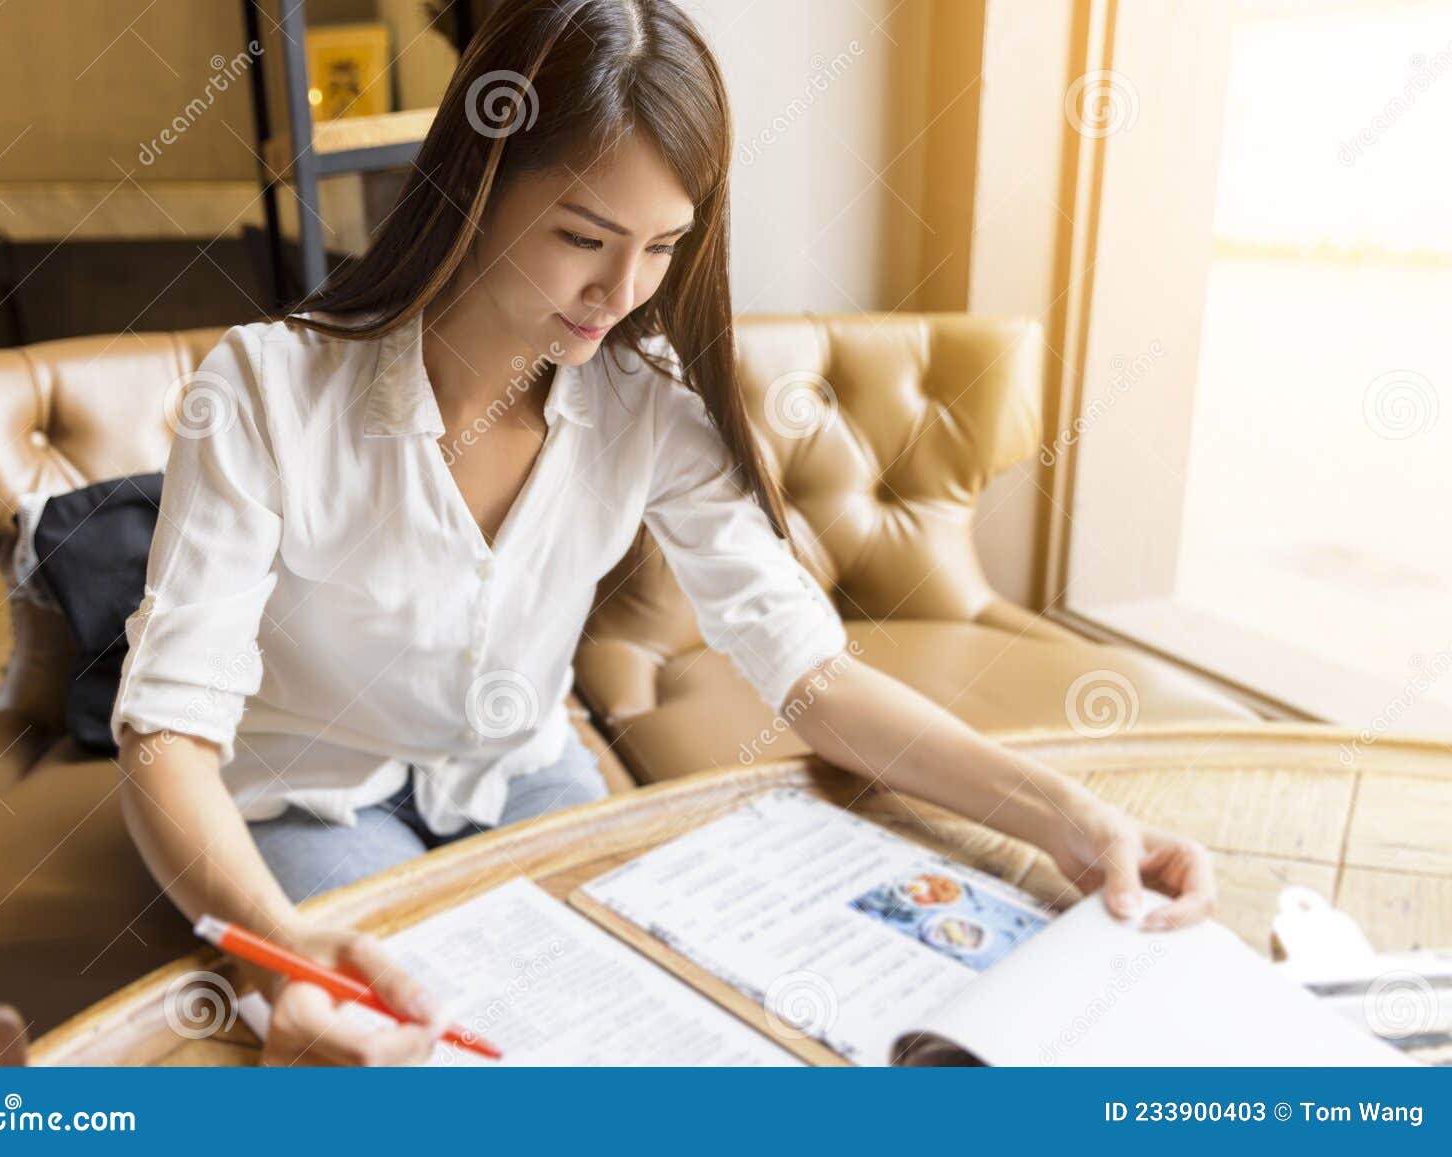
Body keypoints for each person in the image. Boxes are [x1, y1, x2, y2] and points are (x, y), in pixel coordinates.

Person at [115, 0, 1215, 1068]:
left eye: (663, 247)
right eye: (582, 237)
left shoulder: (643, 397)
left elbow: (812, 674)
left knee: (653, 1027)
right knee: (406, 1048)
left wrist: (1068, 818)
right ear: (473, 187)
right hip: (313, 791)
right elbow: (165, 731)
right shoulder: (267, 386)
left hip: (521, 772)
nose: (620, 291)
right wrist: (278, 943)